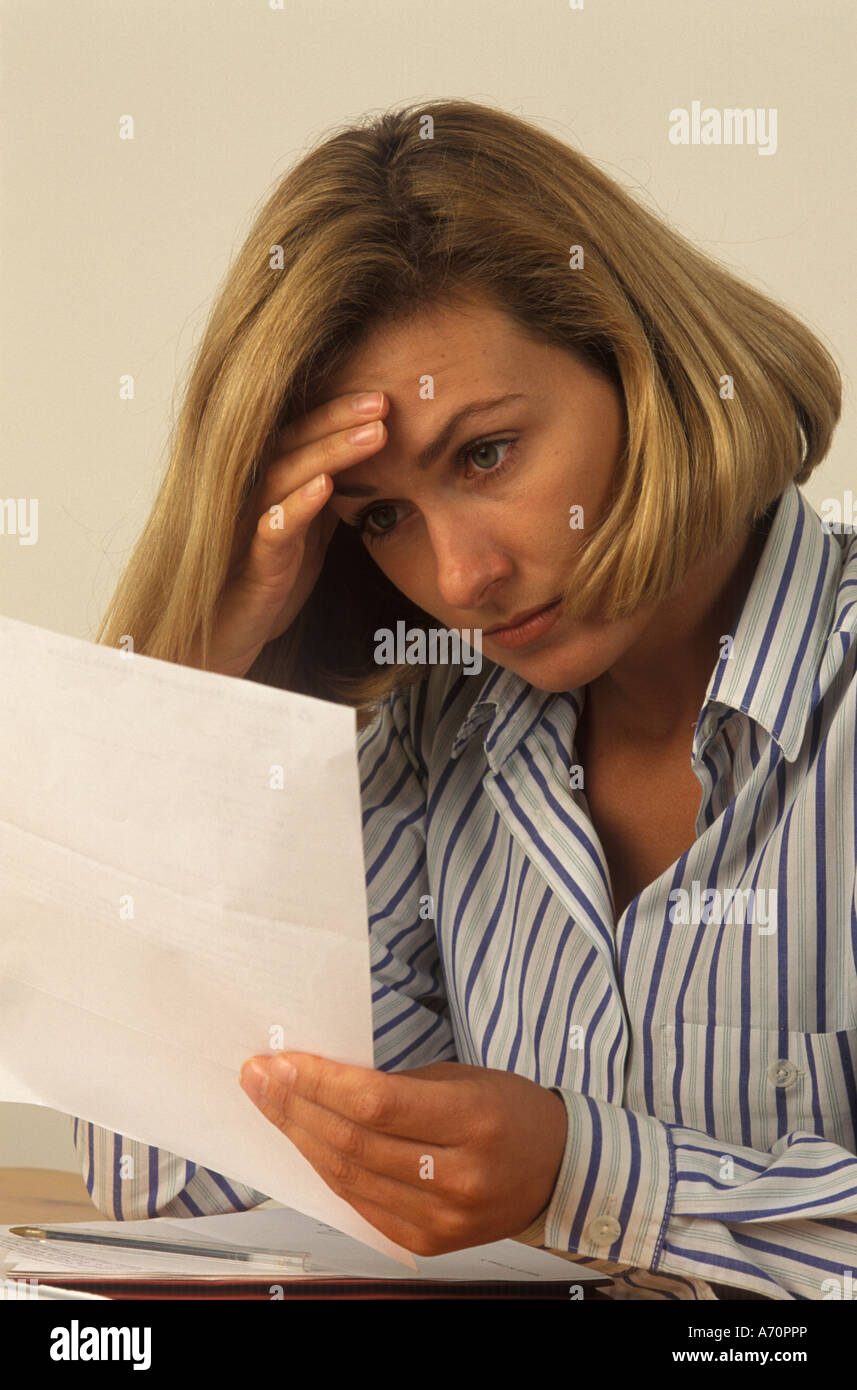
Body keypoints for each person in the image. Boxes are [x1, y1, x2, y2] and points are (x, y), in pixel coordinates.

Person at [73, 99, 856, 1300]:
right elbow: (177, 1192)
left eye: (483, 454)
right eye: (378, 515)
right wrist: (198, 692)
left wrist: (582, 1176)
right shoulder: (435, 724)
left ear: (638, 364)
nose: (459, 580)